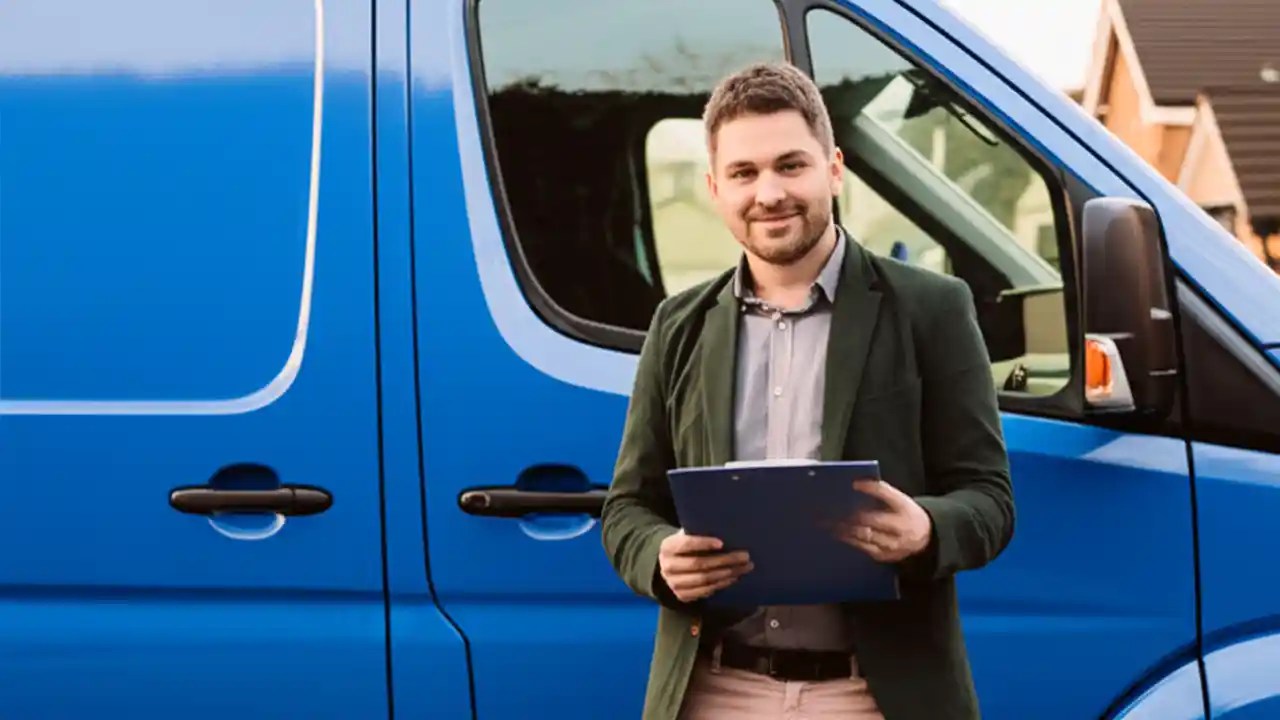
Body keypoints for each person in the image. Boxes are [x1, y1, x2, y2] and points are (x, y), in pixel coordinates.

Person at [600, 61, 1015, 720]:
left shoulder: (932, 309)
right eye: (743, 173)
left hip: (873, 694)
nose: (768, 193)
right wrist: (658, 559)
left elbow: (990, 501)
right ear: (715, 187)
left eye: (790, 165)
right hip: (713, 690)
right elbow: (626, 507)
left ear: (834, 168)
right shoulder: (676, 326)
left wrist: (927, 529)